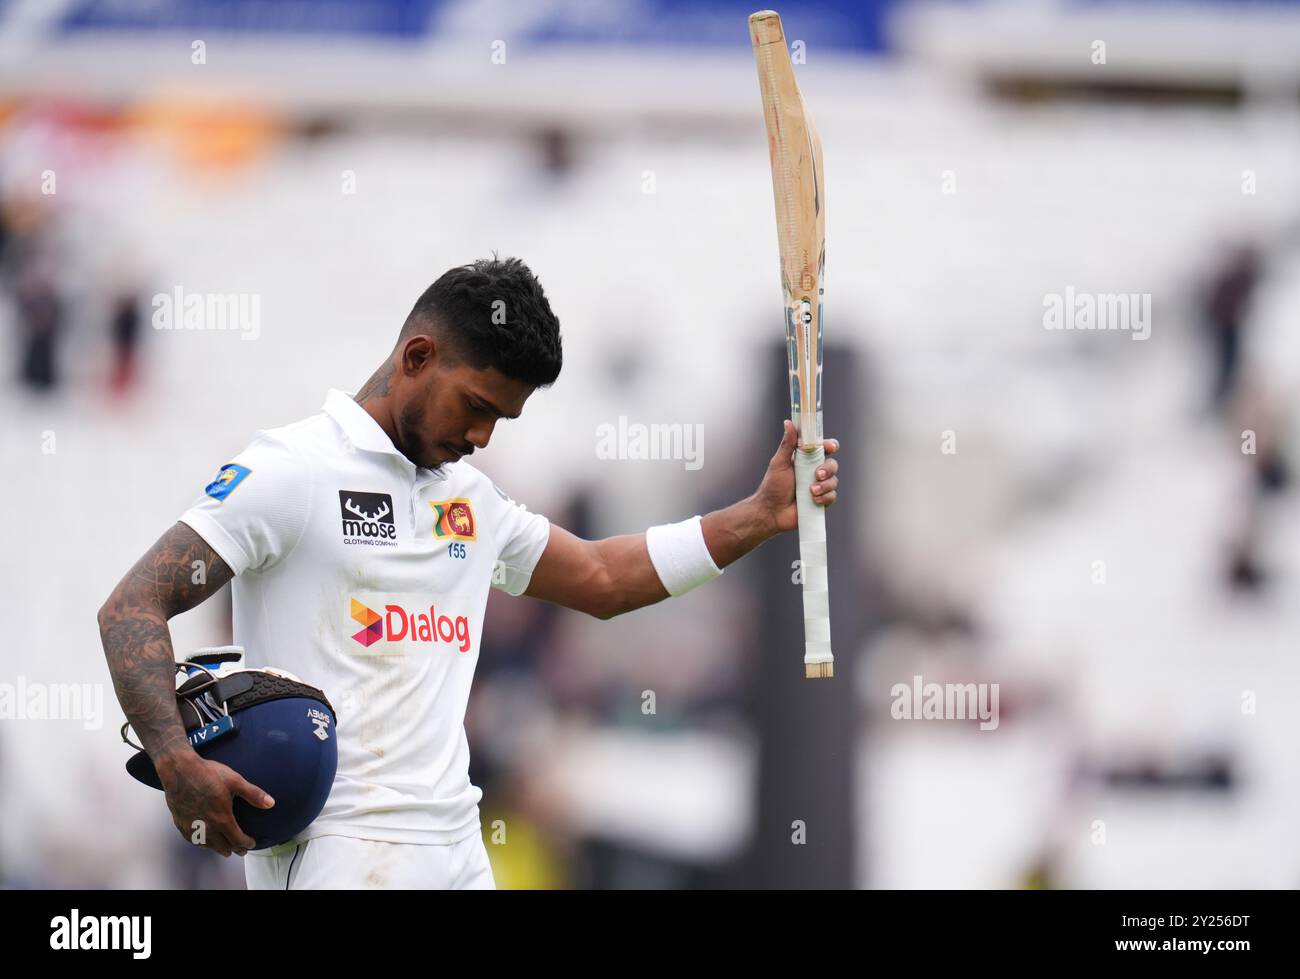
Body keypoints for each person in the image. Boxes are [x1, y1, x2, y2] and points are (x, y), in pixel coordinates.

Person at [97, 256, 841, 889]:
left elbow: (602, 578)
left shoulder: (469, 500)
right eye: (477, 406)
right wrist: (173, 756)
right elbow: (132, 605)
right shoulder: (291, 472)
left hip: (457, 848)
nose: (482, 436)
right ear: (416, 357)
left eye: (501, 421)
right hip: (340, 849)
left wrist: (756, 515)